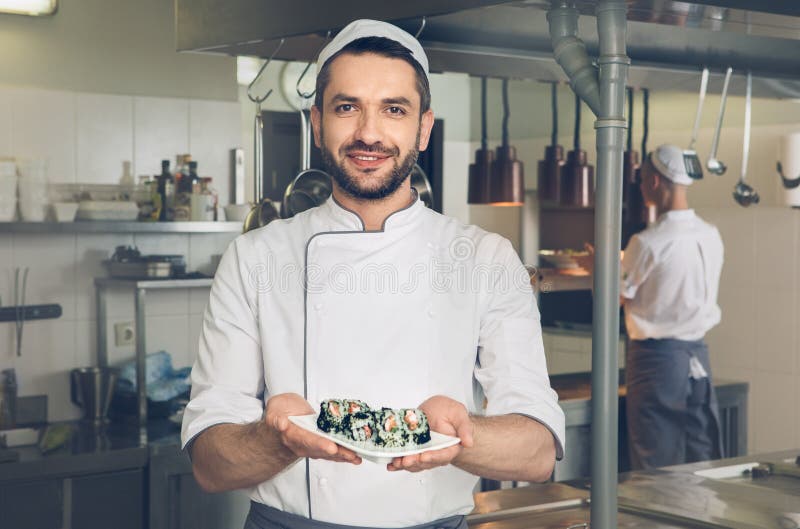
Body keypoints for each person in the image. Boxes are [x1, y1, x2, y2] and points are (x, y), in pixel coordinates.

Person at [181, 19, 565, 529]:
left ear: (423, 128)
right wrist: (277, 441)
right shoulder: (255, 257)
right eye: (347, 107)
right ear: (317, 123)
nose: (368, 133)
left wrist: (460, 437)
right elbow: (209, 464)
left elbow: (538, 452)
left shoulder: (487, 259)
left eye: (394, 109)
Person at [580, 143, 724, 470]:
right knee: (701, 458)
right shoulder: (710, 235)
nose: (641, 187)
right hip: (698, 361)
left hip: (657, 363)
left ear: (655, 182)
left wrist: (597, 267)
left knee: (655, 463)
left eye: (642, 180)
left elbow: (612, 298)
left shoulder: (647, 242)